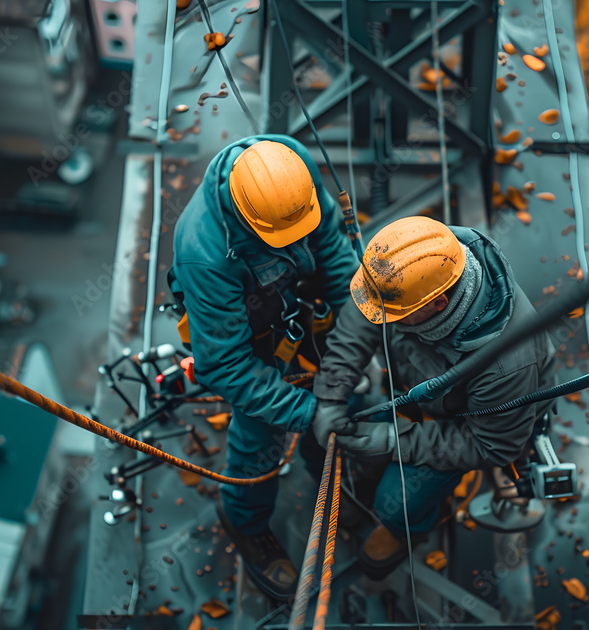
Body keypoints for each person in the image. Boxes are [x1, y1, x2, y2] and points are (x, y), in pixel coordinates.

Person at [311, 216, 557, 580]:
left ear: (438, 305)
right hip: (417, 389)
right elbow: (363, 316)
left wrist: (395, 441)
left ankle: (408, 526)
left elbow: (493, 447)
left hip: (470, 424)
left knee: (397, 504)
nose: (383, 320)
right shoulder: (414, 260)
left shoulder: (507, 366)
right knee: (329, 442)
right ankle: (365, 487)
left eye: (395, 315)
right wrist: (331, 394)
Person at [169, 135, 359, 599]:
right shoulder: (206, 253)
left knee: (341, 397)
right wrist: (306, 412)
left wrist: (359, 326)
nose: (297, 238)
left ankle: (331, 472)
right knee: (259, 438)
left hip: (298, 302)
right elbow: (226, 365)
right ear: (248, 219)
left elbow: (331, 250)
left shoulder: (289, 167)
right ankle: (244, 520)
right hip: (247, 337)